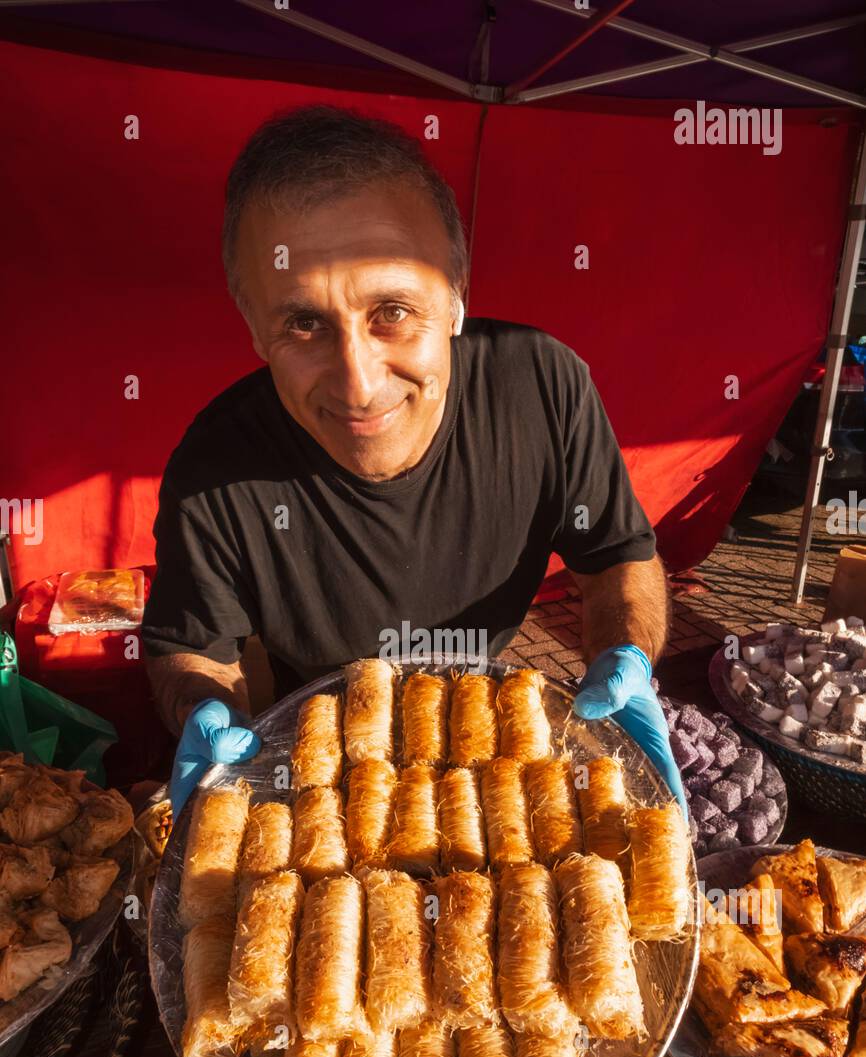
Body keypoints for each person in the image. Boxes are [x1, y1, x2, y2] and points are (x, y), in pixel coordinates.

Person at [141, 105, 685, 817]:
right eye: (303, 323)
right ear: (253, 328)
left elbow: (617, 555)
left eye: (392, 311)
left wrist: (627, 654)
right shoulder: (213, 463)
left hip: (487, 732)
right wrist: (203, 708)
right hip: (319, 754)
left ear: (456, 295)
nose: (359, 384)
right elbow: (194, 647)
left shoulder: (543, 384)